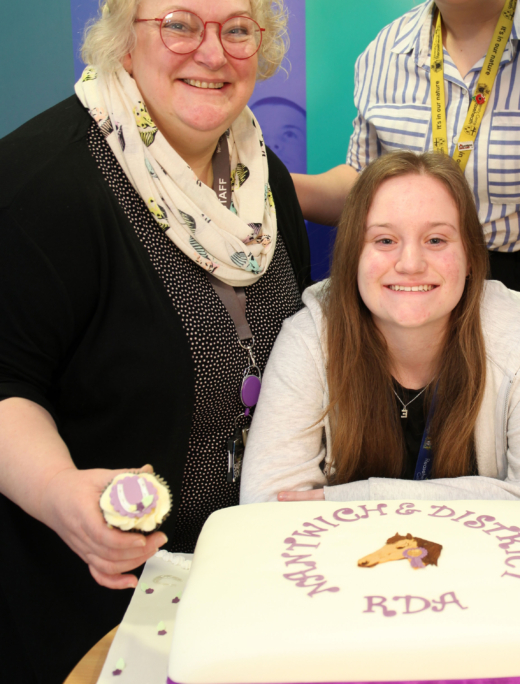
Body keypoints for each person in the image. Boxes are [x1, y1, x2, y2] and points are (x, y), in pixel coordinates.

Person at [0, 1, 310, 681]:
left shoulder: (264, 179)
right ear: (124, 42)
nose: (210, 51)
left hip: (237, 584)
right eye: (178, 23)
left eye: (235, 28)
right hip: (89, 601)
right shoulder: (40, 182)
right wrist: (58, 491)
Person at [290, 0, 520, 411]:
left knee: (518, 453)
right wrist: (272, 187)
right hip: (412, 287)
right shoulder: (384, 52)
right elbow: (363, 185)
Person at [240, 150, 520, 505]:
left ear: (469, 257)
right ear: (353, 256)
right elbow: (268, 506)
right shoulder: (309, 338)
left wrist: (354, 497)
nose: (410, 264)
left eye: (436, 240)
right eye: (385, 240)